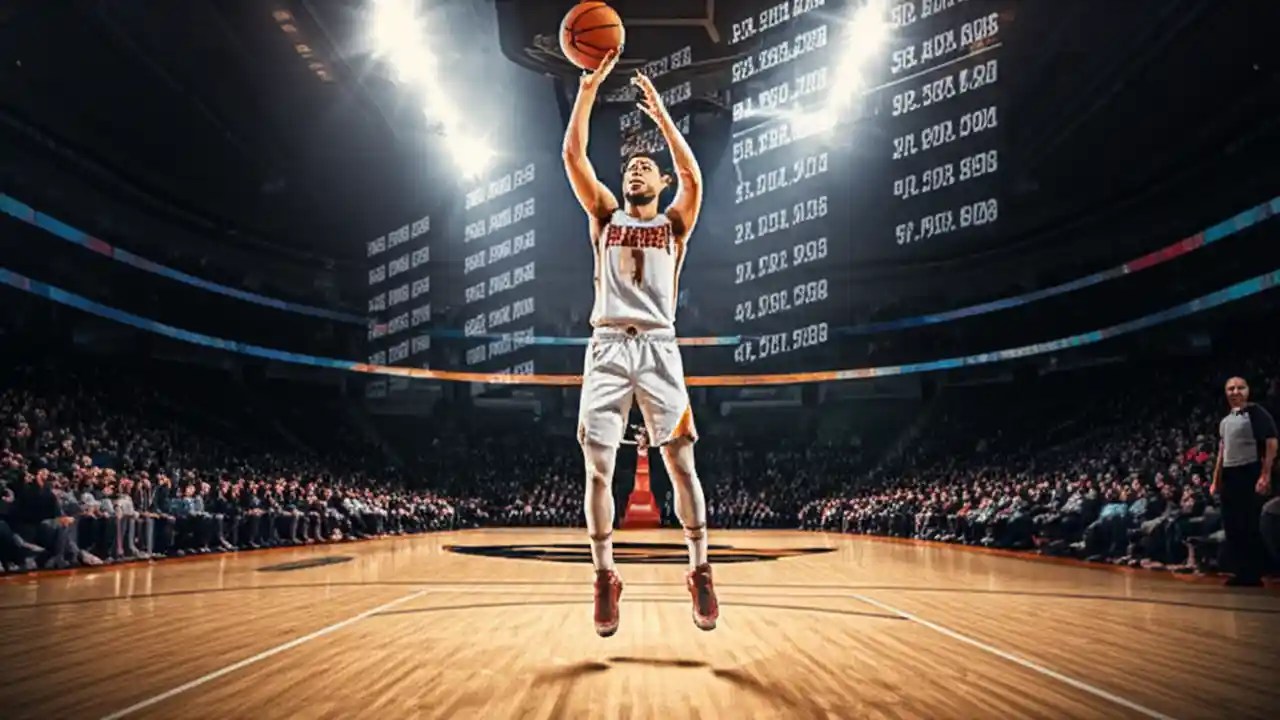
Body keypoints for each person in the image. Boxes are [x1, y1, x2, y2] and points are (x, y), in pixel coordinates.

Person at [561, 48, 717, 636]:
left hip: (658, 349)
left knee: (681, 463)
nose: (635, 170)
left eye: (647, 167)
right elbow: (573, 155)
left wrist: (662, 121)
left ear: (661, 182)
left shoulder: (673, 224)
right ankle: (605, 576)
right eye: (630, 168)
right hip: (605, 349)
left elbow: (695, 177)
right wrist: (589, 87)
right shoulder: (603, 214)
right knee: (598, 469)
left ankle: (700, 569)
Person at [1210, 377, 1277, 586]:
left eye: (1240, 387)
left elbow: (1271, 441)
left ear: (1248, 391)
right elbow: (1222, 451)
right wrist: (1215, 480)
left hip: (1249, 470)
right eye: (1231, 388)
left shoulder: (1256, 412)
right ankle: (1240, 571)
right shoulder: (1225, 421)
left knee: (1249, 523)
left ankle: (1255, 573)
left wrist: (1265, 474)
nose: (1235, 391)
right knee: (1232, 524)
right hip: (1230, 474)